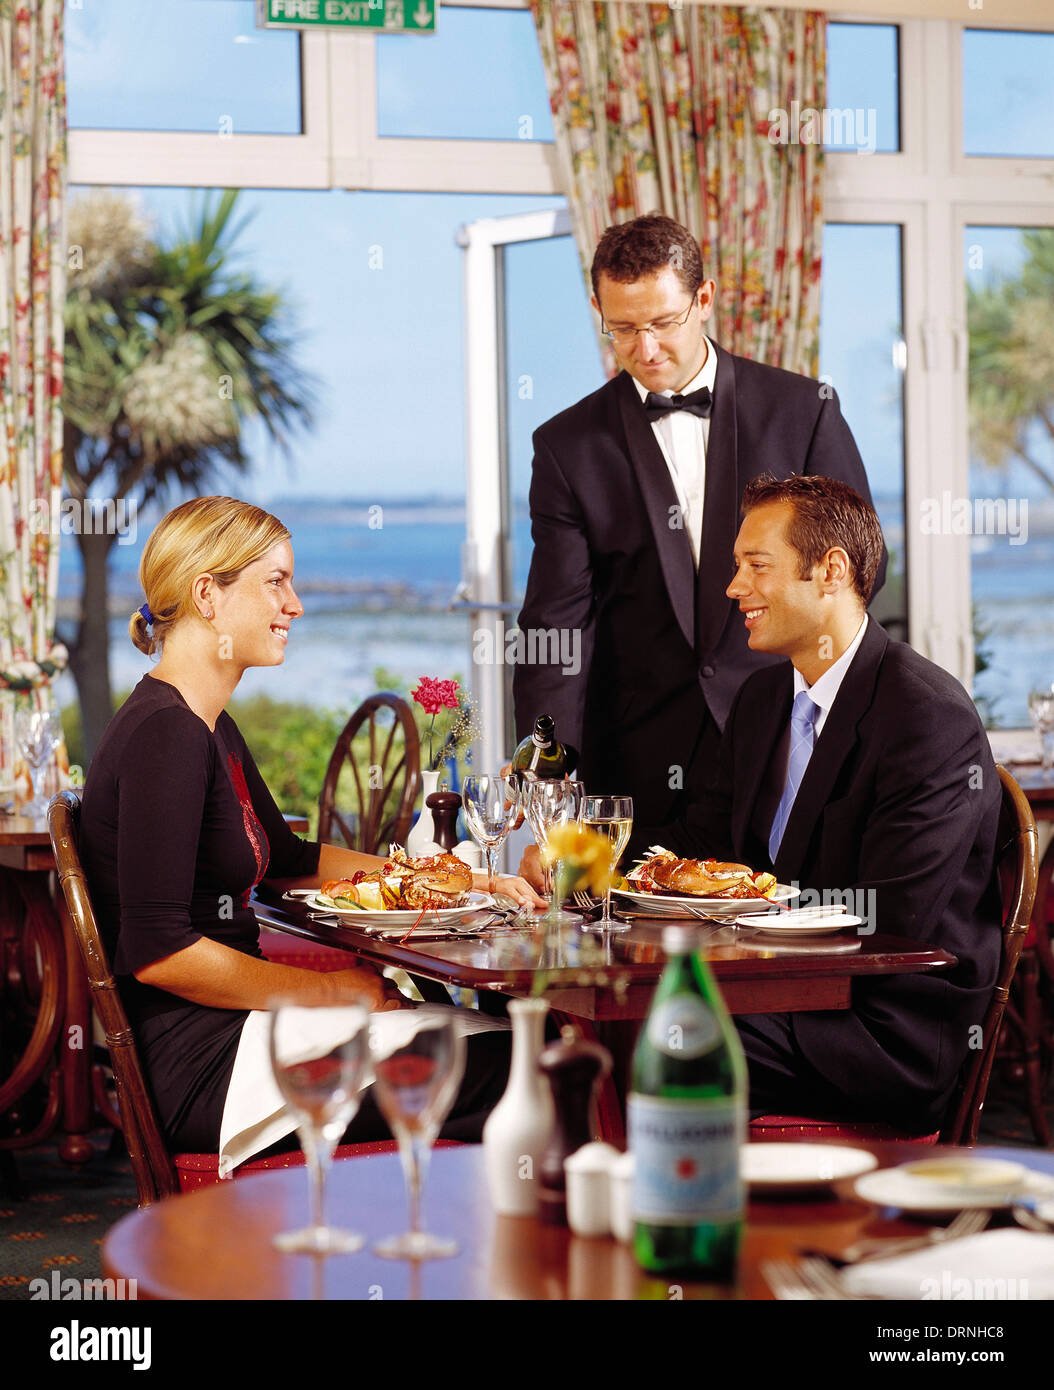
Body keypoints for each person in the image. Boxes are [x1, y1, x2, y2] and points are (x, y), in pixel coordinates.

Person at [79, 496, 543, 1164]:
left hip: (242, 1034)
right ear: (207, 594)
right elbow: (161, 953)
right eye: (276, 583)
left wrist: (453, 881)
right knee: (518, 1061)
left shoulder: (205, 723)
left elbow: (292, 858)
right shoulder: (167, 734)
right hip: (208, 1065)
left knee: (506, 1039)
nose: (295, 604)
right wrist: (332, 991)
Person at [642, 474, 1002, 1132]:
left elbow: (892, 920)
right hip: (773, 995)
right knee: (589, 1028)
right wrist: (587, 864)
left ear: (830, 571)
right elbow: (705, 842)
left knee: (646, 1043)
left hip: (881, 1034)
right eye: (734, 567)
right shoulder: (759, 704)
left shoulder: (925, 717)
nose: (733, 588)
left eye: (756, 566)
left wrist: (741, 931)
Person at [513, 214, 885, 828]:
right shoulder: (567, 444)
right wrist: (547, 761)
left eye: (663, 323)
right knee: (624, 923)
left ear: (704, 299)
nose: (646, 349)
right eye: (623, 329)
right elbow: (556, 620)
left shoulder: (803, 410)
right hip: (635, 758)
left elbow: (863, 563)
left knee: (789, 917)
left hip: (791, 736)